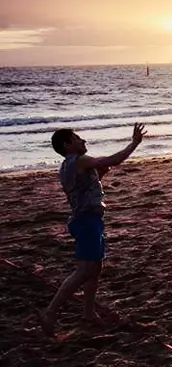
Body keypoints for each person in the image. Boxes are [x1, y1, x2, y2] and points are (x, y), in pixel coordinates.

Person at [39, 123, 146, 337]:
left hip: (89, 219)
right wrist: (134, 143)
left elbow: (83, 188)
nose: (83, 141)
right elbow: (112, 160)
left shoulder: (70, 165)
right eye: (78, 138)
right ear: (68, 144)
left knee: (95, 268)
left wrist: (100, 176)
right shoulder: (78, 161)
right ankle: (50, 312)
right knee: (84, 271)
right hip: (86, 220)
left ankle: (88, 312)